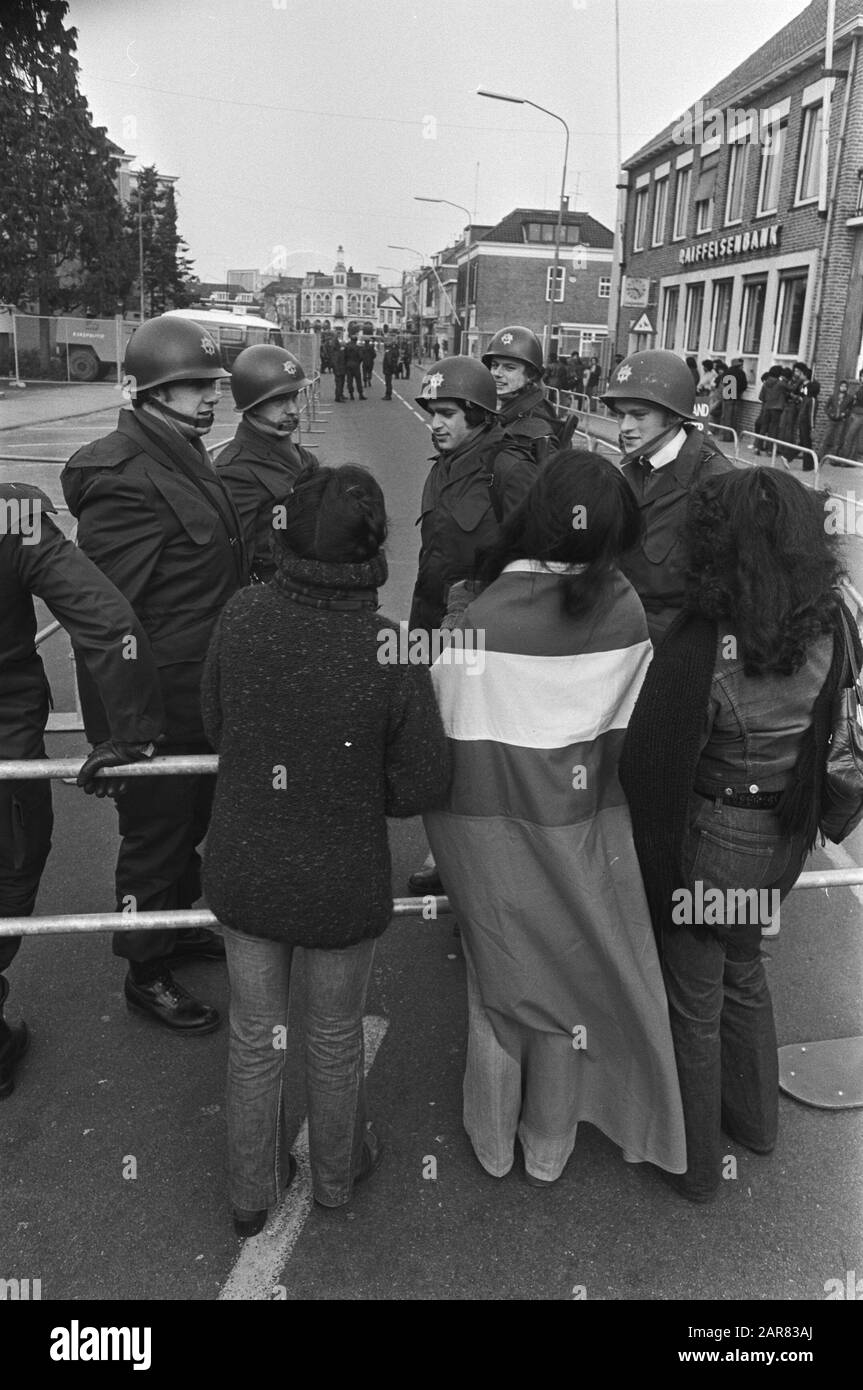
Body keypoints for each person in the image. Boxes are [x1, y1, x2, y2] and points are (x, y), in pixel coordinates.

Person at [424, 451, 686, 1186]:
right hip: (587, 829)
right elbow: (635, 728)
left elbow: (440, 732)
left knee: (497, 983)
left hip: (492, 836)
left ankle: (492, 1138)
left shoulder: (482, 617)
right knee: (571, 983)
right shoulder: (626, 608)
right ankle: (548, 1147)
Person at [200, 464, 450, 1233]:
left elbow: (217, 726)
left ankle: (251, 1190)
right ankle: (338, 1176)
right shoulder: (386, 647)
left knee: (253, 1031)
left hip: (245, 862)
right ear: (372, 549)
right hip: (342, 873)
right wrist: (345, 785)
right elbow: (421, 781)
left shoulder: (241, 616)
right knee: (335, 1032)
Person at [620, 467, 856, 1201]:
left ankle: (694, 1166)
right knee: (744, 970)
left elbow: (649, 765)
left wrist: (656, 874)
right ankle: (753, 1124)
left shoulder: (701, 636)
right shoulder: (832, 618)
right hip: (784, 833)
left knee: (693, 996)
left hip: (714, 838)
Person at [61, 314, 247, 1035]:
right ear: (148, 392)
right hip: (157, 702)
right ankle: (145, 967)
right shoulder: (124, 475)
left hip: (201, 690)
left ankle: (173, 925)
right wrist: (123, 732)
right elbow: (104, 620)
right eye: (192, 387)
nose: (209, 398)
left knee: (192, 818)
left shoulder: (184, 450)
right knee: (155, 834)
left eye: (210, 384)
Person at [0, 482, 165, 1096]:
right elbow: (107, 618)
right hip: (5, 755)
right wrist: (131, 731)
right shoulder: (9, 513)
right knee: (9, 873)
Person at [407, 356, 537, 896]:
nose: (435, 424)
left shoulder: (508, 470)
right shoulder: (445, 465)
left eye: (446, 414)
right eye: (432, 413)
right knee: (441, 744)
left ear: (479, 415)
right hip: (436, 626)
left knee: (481, 753)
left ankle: (484, 872)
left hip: (489, 640)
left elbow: (536, 561)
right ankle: (446, 852)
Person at [601, 348, 736, 646]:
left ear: (674, 415)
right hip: (625, 631)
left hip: (673, 648)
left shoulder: (715, 484)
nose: (625, 428)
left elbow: (725, 593)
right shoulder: (638, 463)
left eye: (638, 415)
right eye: (621, 415)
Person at [216, 345, 318, 583]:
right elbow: (232, 561)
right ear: (253, 402)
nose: (293, 410)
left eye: (294, 397)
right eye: (280, 401)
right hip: (272, 594)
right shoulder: (235, 471)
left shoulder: (303, 458)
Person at [482, 325, 567, 466]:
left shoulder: (535, 425)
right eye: (495, 365)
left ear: (531, 375)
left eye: (509, 368)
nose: (497, 373)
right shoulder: (514, 412)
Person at [821, 378, 852, 462]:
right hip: (832, 420)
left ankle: (833, 459)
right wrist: (829, 413)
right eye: (842, 386)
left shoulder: (849, 398)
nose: (843, 388)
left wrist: (844, 414)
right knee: (826, 437)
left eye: (845, 386)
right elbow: (826, 407)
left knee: (837, 440)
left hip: (841, 420)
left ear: (847, 388)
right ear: (839, 387)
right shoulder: (833, 396)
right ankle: (820, 456)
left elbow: (850, 409)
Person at [719, 358, 748, 434]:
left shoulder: (726, 372)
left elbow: (723, 383)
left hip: (728, 395)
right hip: (737, 396)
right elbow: (744, 385)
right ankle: (733, 436)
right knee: (734, 417)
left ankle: (725, 435)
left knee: (726, 416)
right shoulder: (741, 373)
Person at [344, 335, 365, 401]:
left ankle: (351, 395)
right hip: (356, 365)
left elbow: (344, 356)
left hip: (348, 364)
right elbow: (361, 357)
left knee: (349, 381)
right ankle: (360, 394)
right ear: (356, 340)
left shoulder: (347, 347)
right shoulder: (358, 348)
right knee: (358, 380)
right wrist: (358, 362)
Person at [331, 337, 347, 403]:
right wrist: (337, 371)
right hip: (339, 371)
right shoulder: (337, 353)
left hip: (341, 370)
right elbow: (335, 363)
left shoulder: (340, 352)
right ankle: (338, 397)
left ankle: (340, 395)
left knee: (341, 383)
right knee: (339, 384)